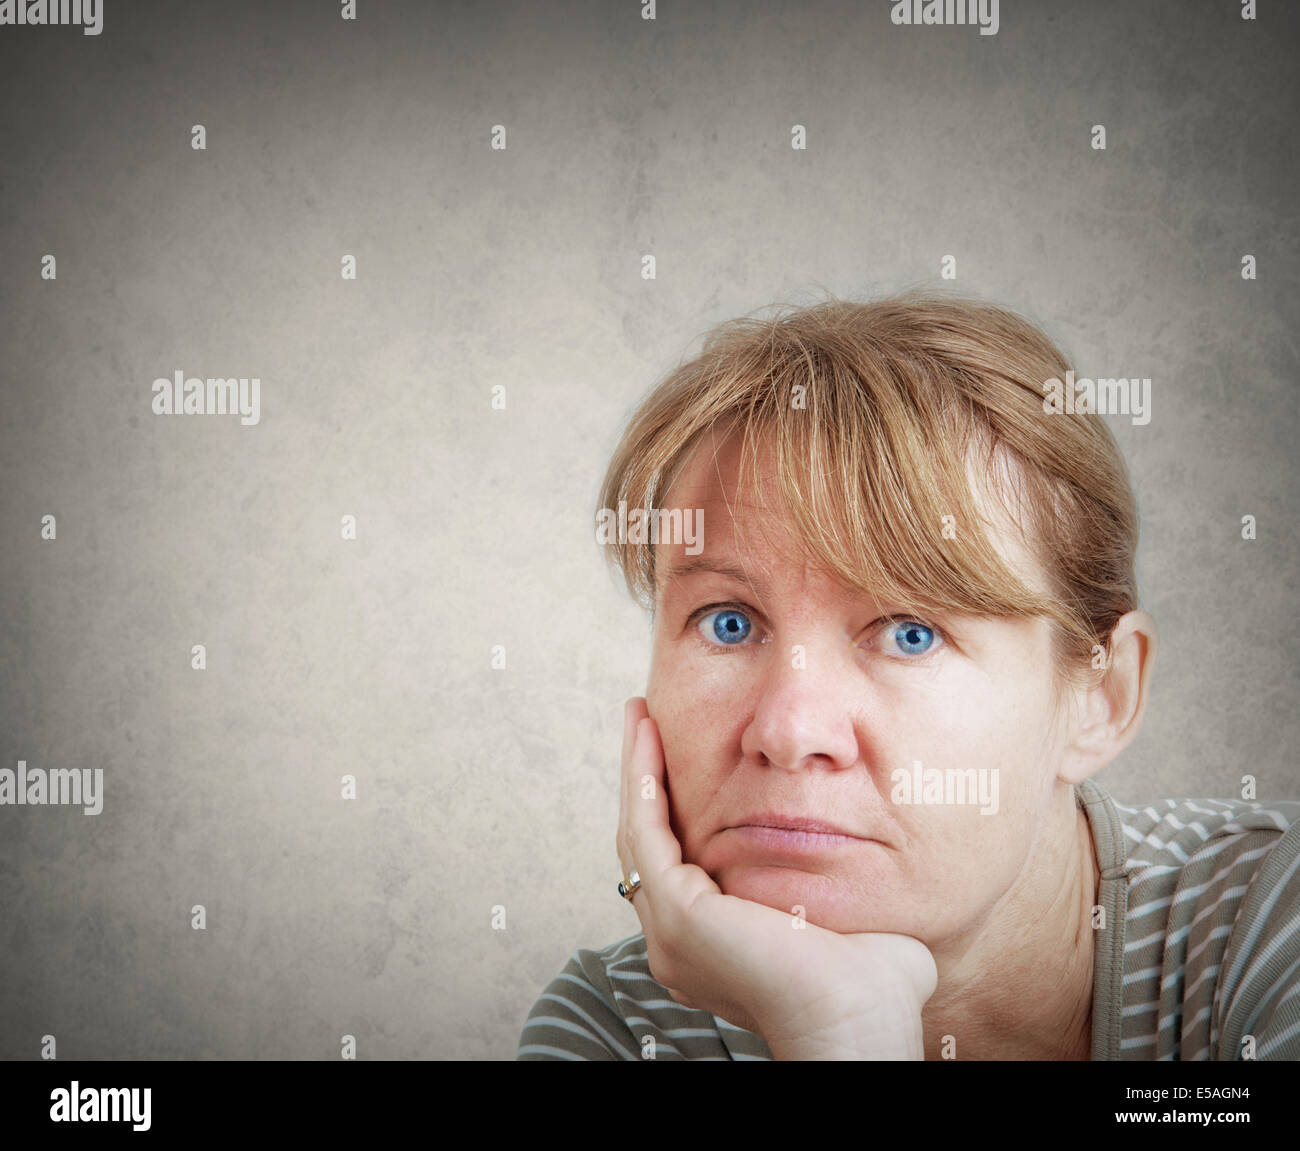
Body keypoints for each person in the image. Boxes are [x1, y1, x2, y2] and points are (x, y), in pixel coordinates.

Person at [517, 292, 1300, 1060]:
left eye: (910, 632)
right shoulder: (617, 1031)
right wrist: (839, 1027)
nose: (788, 731)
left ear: (1101, 696)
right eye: (729, 622)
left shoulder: (1272, 925)